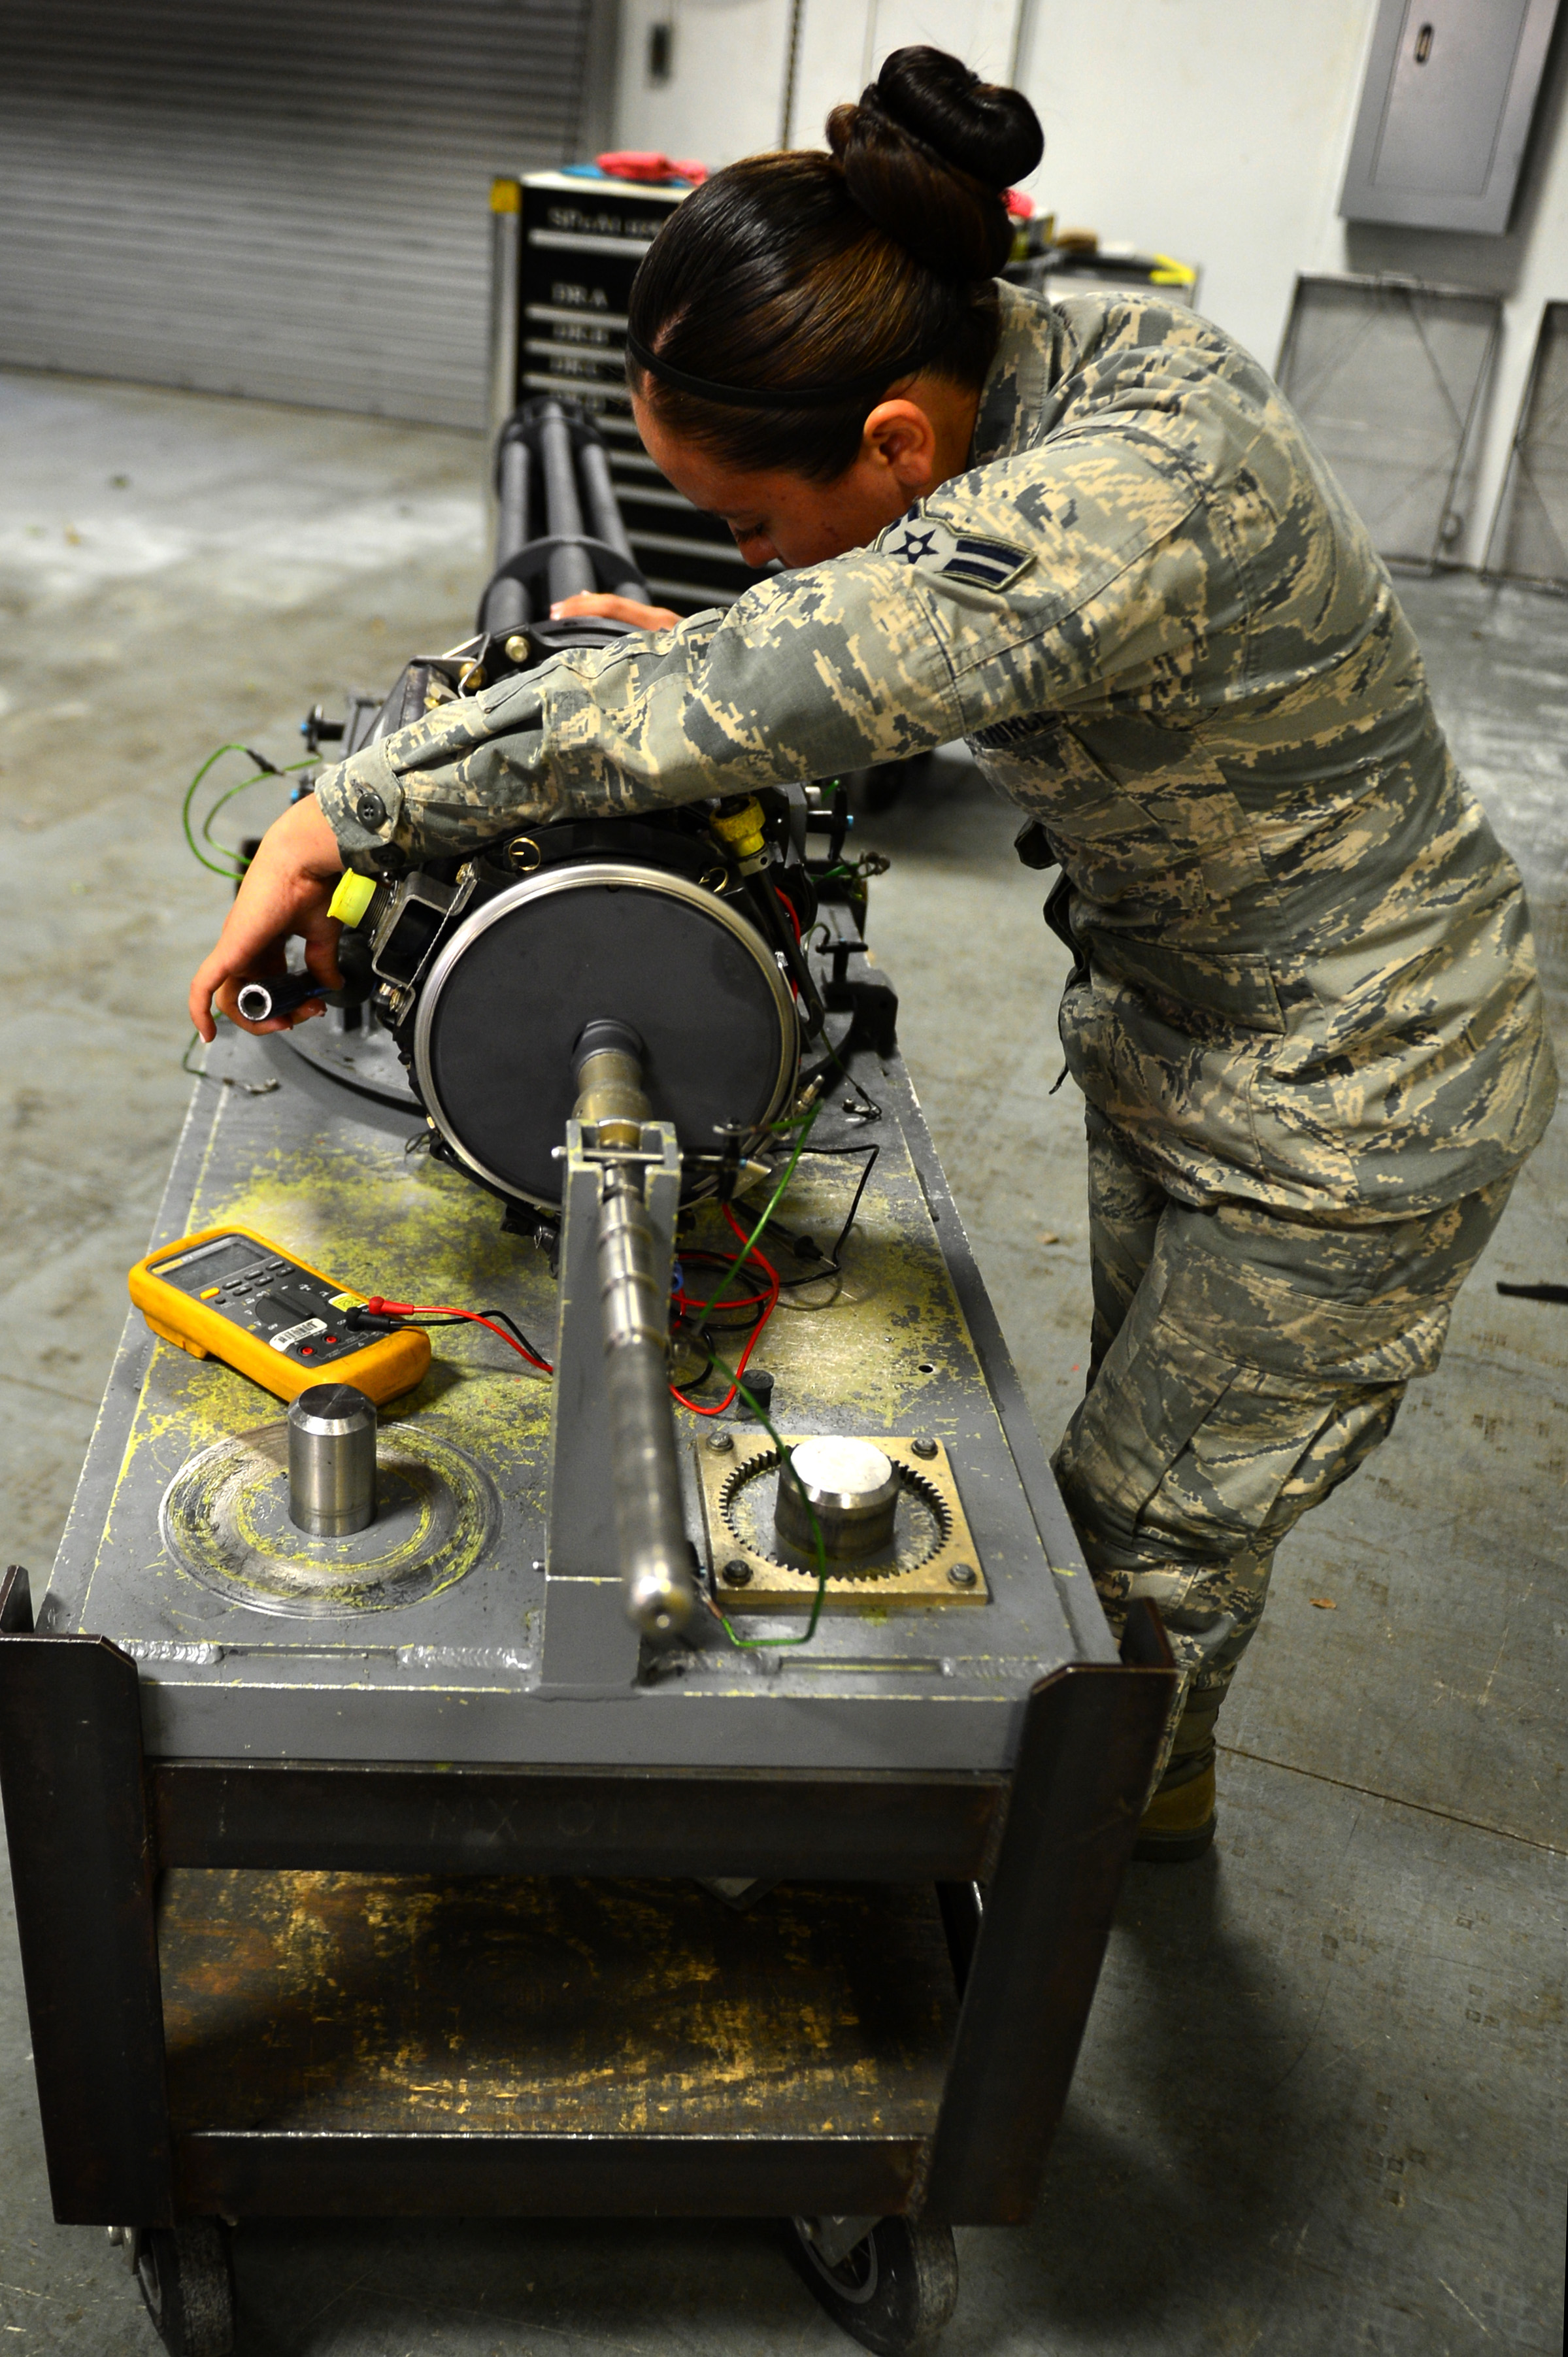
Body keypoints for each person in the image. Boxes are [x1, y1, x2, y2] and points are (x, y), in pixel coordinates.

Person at [190, 46, 1556, 1860]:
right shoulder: (1047, 362)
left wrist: (349, 809)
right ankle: (1157, 1776)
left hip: (1354, 1095)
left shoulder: (1121, 499)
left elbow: (859, 654)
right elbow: (869, 628)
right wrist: (732, 633)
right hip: (1187, 1027)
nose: (752, 562)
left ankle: (1070, 1881)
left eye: (756, 526)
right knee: (1146, 1519)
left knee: (1123, 1556)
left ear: (896, 438)